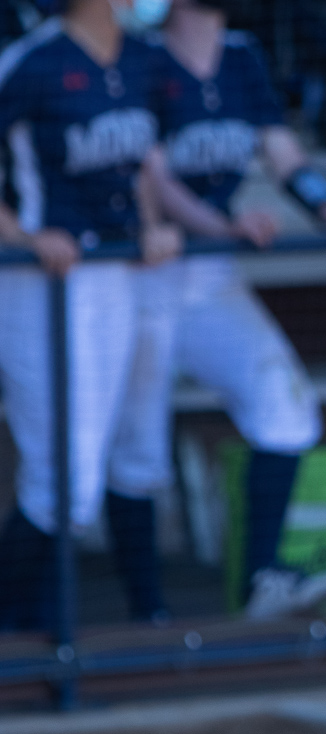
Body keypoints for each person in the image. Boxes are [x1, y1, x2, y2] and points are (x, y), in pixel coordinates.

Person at [109, 0, 326, 621]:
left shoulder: (242, 58)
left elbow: (284, 154)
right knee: (138, 447)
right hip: (143, 274)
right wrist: (221, 224)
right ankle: (143, 613)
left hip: (210, 276)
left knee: (284, 406)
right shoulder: (139, 57)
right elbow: (148, 176)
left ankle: (263, 579)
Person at [0, 0, 184, 629]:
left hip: (123, 277)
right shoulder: (30, 62)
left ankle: (117, 625)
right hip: (42, 284)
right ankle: (42, 640)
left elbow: (137, 165)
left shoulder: (141, 59)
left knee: (131, 450)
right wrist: (25, 238)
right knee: (64, 474)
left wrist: (154, 225)